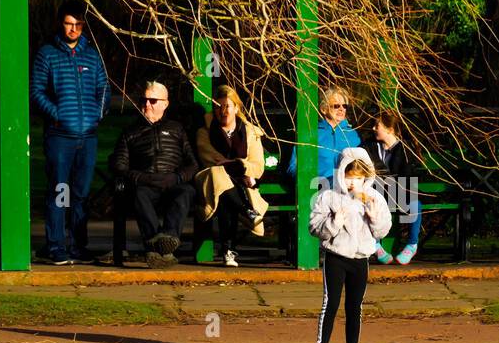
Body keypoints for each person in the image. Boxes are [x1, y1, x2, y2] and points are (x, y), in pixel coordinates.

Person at [30, 0, 109, 264]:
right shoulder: (47, 54)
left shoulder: (92, 55)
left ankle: (78, 245)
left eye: (77, 24)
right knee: (59, 191)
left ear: (83, 25)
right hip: (59, 138)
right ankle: (56, 246)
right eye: (68, 23)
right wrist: (58, 116)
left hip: (87, 138)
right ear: (60, 23)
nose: (73, 29)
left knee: (81, 194)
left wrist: (96, 116)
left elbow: (103, 89)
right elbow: (36, 91)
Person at [309, 147, 392, 343]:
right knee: (331, 303)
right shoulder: (328, 196)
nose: (353, 182)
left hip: (361, 258)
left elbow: (383, 229)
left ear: (366, 176)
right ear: (341, 173)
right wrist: (335, 221)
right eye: (349, 176)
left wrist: (374, 219)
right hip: (336, 256)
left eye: (358, 177)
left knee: (354, 306)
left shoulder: (374, 198)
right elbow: (314, 227)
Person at [109, 80, 198, 266]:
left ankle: (167, 240)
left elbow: (192, 164)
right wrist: (141, 177)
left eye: (153, 100)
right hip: (145, 184)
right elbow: (119, 165)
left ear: (165, 104)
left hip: (172, 182)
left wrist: (177, 177)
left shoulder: (176, 129)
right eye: (144, 100)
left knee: (186, 192)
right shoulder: (130, 132)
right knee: (139, 194)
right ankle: (158, 247)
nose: (146, 104)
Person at [195, 85, 269, 267]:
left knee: (227, 197)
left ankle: (228, 251)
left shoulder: (250, 132)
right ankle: (247, 212)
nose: (223, 111)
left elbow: (258, 166)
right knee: (217, 174)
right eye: (218, 106)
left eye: (227, 106)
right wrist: (236, 165)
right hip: (211, 183)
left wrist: (240, 165)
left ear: (236, 108)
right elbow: (209, 159)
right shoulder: (205, 131)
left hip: (240, 184)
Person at [364, 107, 422, 265]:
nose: (373, 128)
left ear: (390, 129)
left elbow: (407, 177)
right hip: (377, 193)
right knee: (367, 203)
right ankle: (375, 245)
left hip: (401, 193)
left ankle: (411, 244)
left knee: (414, 203)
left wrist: (388, 180)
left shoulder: (406, 148)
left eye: (378, 125)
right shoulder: (369, 145)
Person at [286, 86, 360, 182]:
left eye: (344, 106)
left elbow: (362, 169)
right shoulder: (311, 134)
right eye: (336, 106)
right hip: (317, 190)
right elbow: (293, 167)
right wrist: (309, 182)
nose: (342, 109)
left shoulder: (353, 135)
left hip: (346, 192)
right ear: (323, 109)